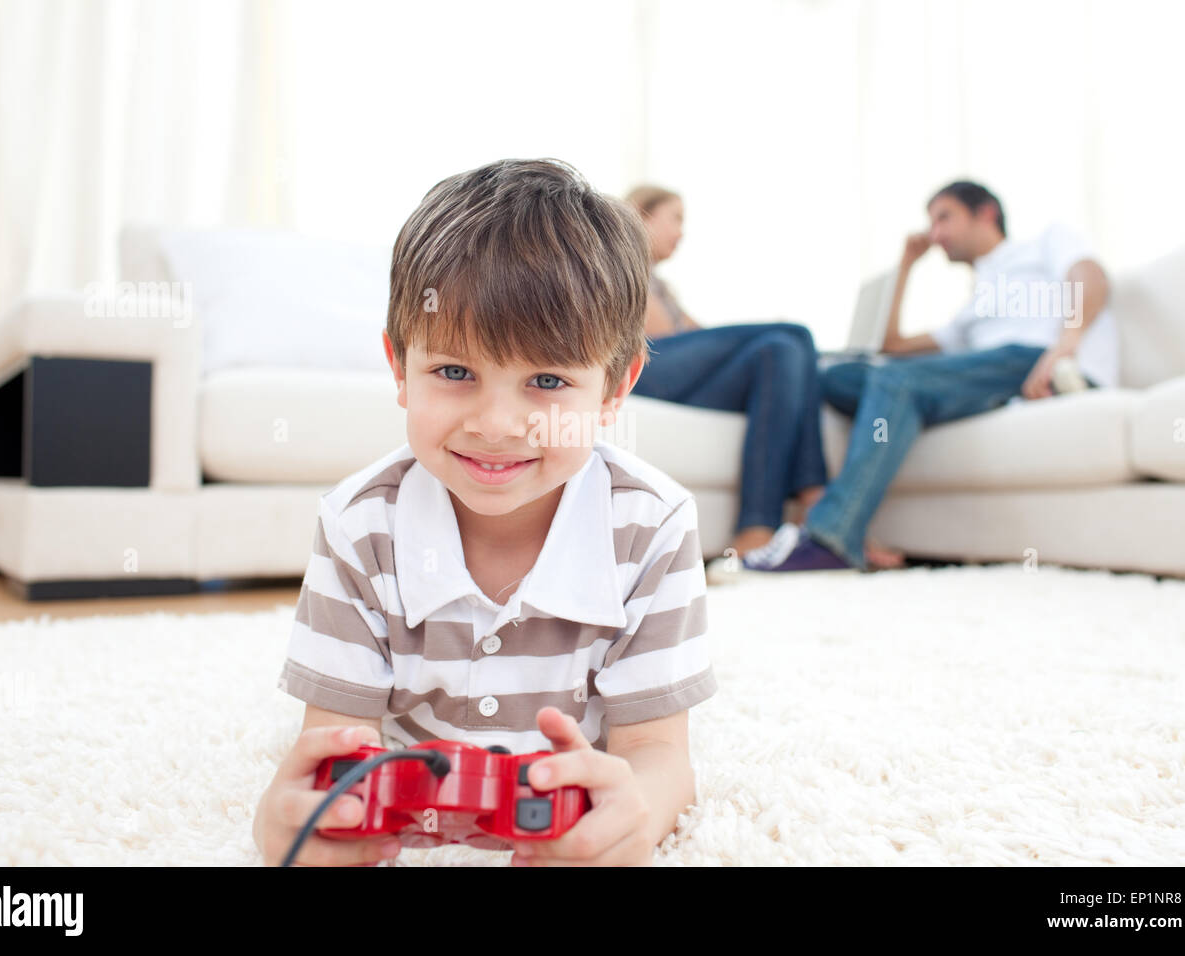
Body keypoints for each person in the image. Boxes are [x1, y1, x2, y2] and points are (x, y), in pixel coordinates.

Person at [252, 158, 717, 867]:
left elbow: (657, 753)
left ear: (615, 388)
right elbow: (336, 741)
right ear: (399, 367)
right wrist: (300, 820)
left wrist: (636, 818)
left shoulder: (652, 524)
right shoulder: (359, 524)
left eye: (548, 381)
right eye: (455, 372)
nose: (498, 424)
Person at [738, 180, 1118, 573]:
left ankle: (831, 535)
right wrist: (906, 266)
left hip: (1038, 360)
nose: (935, 234)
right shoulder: (974, 304)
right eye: (931, 224)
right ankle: (814, 506)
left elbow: (1089, 276)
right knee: (828, 376)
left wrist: (1065, 345)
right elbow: (892, 345)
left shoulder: (1042, 243)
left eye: (944, 218)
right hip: (988, 374)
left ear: (986, 213)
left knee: (896, 381)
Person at [624, 184, 828, 559]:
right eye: (675, 219)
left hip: (678, 375)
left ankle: (758, 527)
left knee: (780, 350)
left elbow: (701, 339)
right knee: (795, 334)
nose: (681, 233)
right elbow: (664, 339)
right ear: (641, 215)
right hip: (643, 370)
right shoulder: (621, 262)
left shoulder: (663, 286)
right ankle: (814, 491)